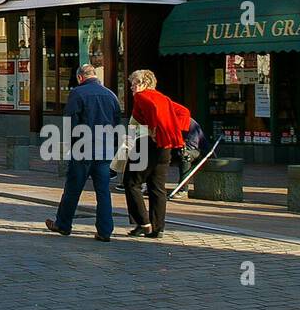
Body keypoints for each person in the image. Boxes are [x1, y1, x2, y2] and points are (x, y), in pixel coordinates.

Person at [45, 64, 121, 242]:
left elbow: (70, 122)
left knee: (73, 188)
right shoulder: (111, 95)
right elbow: (117, 123)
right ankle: (105, 231)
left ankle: (63, 224)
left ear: (80, 77)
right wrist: (114, 147)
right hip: (105, 150)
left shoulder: (77, 93)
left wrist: (71, 146)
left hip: (83, 149)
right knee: (103, 191)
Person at [123, 69, 190, 239]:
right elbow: (184, 112)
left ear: (144, 83)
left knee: (131, 182)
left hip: (148, 143)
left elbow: (152, 110)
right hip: (165, 146)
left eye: (135, 83)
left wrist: (153, 128)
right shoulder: (163, 98)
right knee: (157, 186)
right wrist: (173, 130)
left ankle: (143, 222)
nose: (132, 87)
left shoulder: (142, 96)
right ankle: (157, 227)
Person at [170, 117, 208, 199]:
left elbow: (191, 146)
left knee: (186, 156)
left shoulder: (190, 124)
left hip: (197, 150)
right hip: (177, 149)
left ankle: (183, 190)